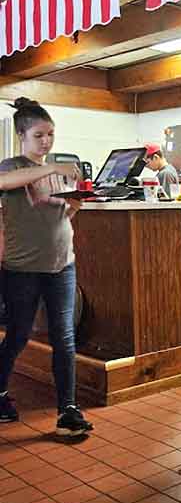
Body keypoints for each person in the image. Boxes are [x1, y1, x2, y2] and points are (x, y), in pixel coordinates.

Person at [0, 98, 93, 437]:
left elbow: (57, 218)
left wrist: (74, 206)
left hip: (61, 266)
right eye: (39, 135)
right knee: (19, 335)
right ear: (22, 135)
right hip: (22, 269)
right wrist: (53, 168)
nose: (47, 142)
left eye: (51, 134)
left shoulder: (56, 173)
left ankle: (68, 409)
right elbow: (5, 182)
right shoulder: (11, 166)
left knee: (64, 337)